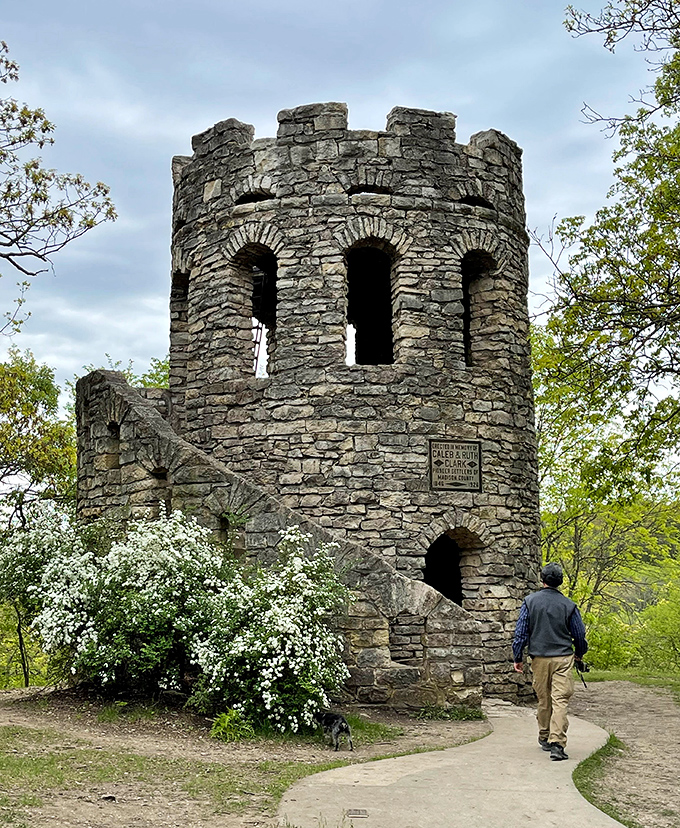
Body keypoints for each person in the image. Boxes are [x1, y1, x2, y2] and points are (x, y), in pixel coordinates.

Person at [512, 562, 588, 761]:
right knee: (560, 700)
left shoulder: (530, 602)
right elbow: (579, 634)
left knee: (544, 699)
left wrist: (517, 657)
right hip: (563, 657)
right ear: (560, 582)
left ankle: (544, 736)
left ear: (542, 579)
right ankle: (558, 744)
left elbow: (521, 632)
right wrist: (579, 653)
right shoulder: (569, 606)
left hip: (539, 658)